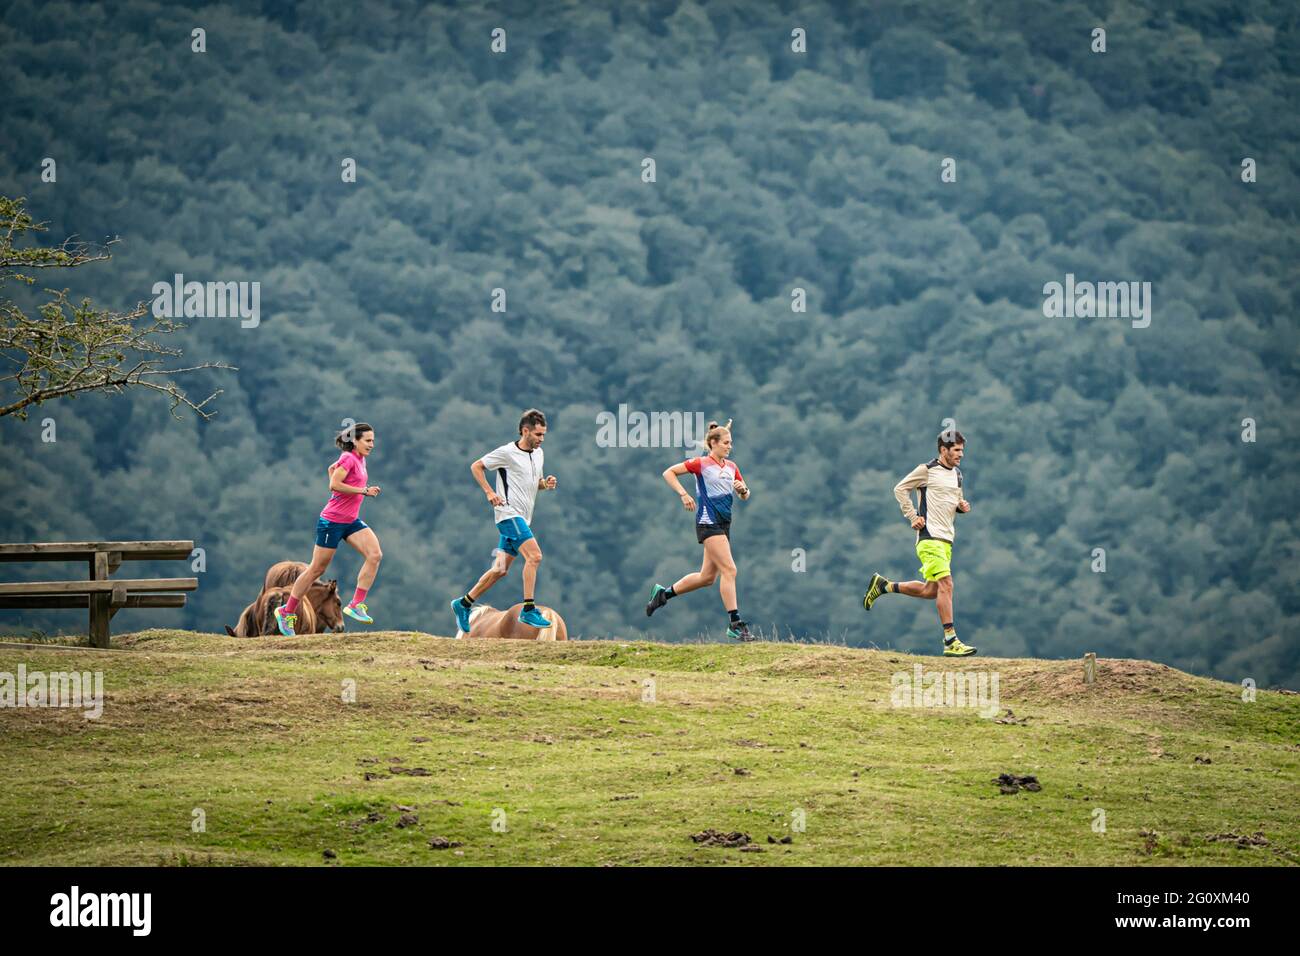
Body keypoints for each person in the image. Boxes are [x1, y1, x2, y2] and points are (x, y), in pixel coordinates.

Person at [861, 430, 976, 656]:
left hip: (946, 540)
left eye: (962, 450)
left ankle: (884, 586)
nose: (961, 455)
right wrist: (913, 516)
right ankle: (950, 641)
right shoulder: (926, 470)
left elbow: (952, 502)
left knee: (931, 590)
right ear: (943, 450)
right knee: (947, 585)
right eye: (956, 451)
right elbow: (900, 489)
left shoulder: (958, 475)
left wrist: (961, 507)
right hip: (929, 538)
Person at [644, 419, 754, 642]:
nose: (729, 446)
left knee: (707, 578)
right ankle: (735, 623)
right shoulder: (700, 463)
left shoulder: (732, 467)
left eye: (730, 443)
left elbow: (745, 494)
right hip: (708, 522)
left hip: (724, 524)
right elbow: (669, 472)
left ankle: (662, 594)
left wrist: (743, 491)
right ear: (713, 443)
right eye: (726, 442)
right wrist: (683, 494)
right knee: (730, 570)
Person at [450, 409, 557, 632]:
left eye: (543, 435)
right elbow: (476, 466)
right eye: (538, 434)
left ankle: (463, 603)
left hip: (523, 519)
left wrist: (545, 484)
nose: (541, 439)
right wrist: (489, 492)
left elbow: (533, 483)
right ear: (525, 431)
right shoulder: (507, 452)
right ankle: (529, 609)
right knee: (535, 556)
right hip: (508, 515)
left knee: (500, 570)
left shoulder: (539, 454)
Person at [275, 423, 382, 637]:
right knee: (316, 569)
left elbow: (330, 470)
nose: (372, 444)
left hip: (351, 521)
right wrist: (363, 491)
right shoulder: (349, 458)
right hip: (332, 522)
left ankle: (356, 604)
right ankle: (286, 612)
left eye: (373, 440)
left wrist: (354, 494)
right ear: (355, 441)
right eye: (368, 440)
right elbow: (334, 483)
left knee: (375, 555)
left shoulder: (360, 459)